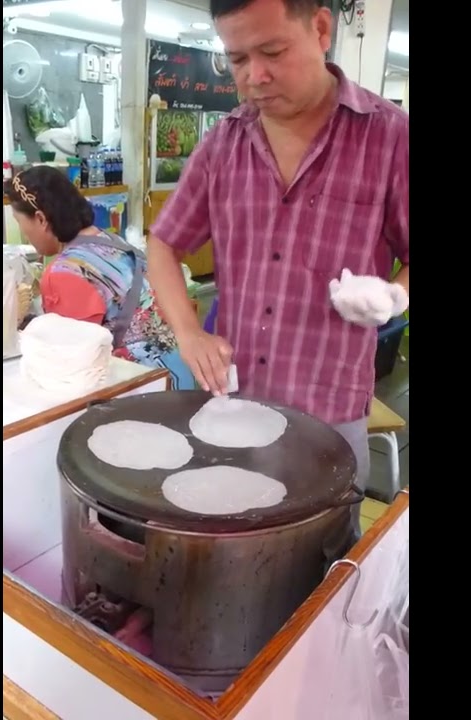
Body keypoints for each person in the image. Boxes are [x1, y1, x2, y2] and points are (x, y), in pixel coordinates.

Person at [145, 0, 410, 536]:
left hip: (328, 417)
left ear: (319, 29)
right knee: (236, 555)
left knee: (323, 564)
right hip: (233, 410)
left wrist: (396, 294)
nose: (255, 76)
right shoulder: (224, 145)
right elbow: (163, 244)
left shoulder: (390, 139)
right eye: (237, 59)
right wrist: (189, 332)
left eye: (272, 51)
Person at [6, 166, 195, 390]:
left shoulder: (65, 272)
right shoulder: (110, 240)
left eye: (20, 223)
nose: (24, 232)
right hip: (181, 375)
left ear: (40, 219)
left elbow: (73, 368)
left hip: (145, 389)